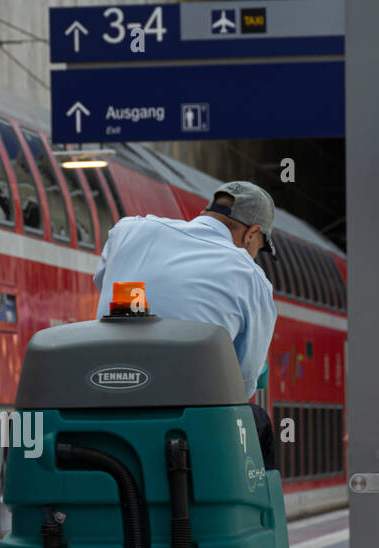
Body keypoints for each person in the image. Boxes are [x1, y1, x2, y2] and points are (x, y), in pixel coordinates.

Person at [93, 181, 280, 469]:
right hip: (190, 425)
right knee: (259, 423)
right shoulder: (251, 278)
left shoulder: (130, 229)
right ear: (251, 234)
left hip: (103, 399)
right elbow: (240, 386)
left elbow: (102, 281)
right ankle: (256, 513)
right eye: (259, 246)